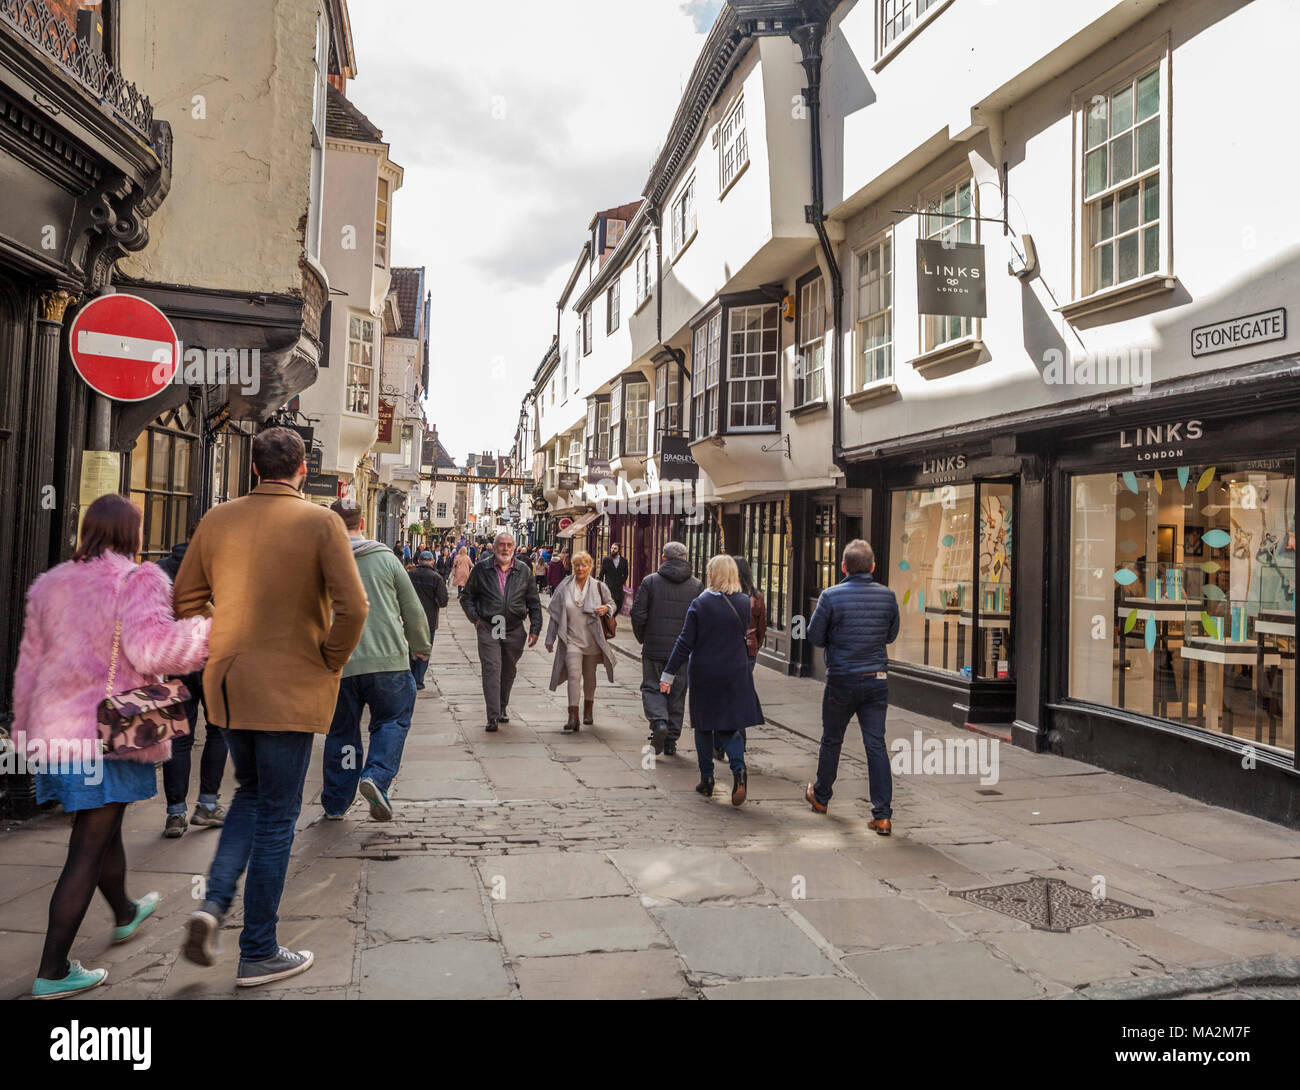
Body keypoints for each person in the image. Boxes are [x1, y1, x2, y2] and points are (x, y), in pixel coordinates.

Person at [174, 426, 368, 988]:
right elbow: (353, 607)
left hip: (230, 686)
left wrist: (226, 634)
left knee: (249, 796)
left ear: (254, 468)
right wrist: (329, 658)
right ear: (303, 469)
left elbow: (185, 600)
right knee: (278, 816)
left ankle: (212, 905)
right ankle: (257, 947)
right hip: (290, 686)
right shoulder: (321, 521)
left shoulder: (217, 519)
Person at [12, 493, 211, 998]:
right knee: (86, 846)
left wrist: (22, 732)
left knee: (101, 826)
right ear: (131, 533)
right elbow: (152, 650)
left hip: (55, 731)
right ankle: (52, 970)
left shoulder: (51, 583)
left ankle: (124, 910)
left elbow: (30, 664)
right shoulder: (138, 579)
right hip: (106, 735)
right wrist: (210, 632)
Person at [321, 501, 429, 822]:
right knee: (392, 720)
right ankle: (377, 776)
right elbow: (412, 609)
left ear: (332, 522)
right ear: (363, 522)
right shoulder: (386, 558)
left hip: (340, 663)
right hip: (388, 662)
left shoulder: (323, 561)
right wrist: (421, 645)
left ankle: (337, 802)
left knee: (343, 732)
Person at [805, 539, 900, 834]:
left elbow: (814, 636)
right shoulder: (888, 596)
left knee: (832, 740)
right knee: (876, 745)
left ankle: (821, 797)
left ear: (843, 567)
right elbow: (891, 634)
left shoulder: (830, 596)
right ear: (872, 567)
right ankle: (882, 815)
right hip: (876, 679)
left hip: (842, 679)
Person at [660, 555, 763, 806]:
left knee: (704, 726)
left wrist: (668, 674)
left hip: (706, 671)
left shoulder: (700, 603)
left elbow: (685, 642)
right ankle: (739, 771)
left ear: (711, 574)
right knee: (729, 725)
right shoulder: (743, 602)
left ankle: (707, 780)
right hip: (736, 670)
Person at [157, 526, 227, 837]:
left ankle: (175, 814)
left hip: (176, 661)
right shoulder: (224, 569)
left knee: (178, 737)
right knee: (218, 731)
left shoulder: (160, 570)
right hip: (215, 659)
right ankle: (208, 806)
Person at [460, 532, 541, 731]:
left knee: (508, 670)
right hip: (489, 625)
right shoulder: (481, 568)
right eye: (501, 545)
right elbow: (467, 597)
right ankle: (493, 716)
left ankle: (502, 706)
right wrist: (476, 619)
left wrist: (535, 628)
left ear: (514, 547)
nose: (505, 548)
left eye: (509, 545)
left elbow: (534, 602)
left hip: (513, 628)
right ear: (495, 547)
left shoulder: (523, 570)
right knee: (492, 669)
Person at [630, 541, 702, 755]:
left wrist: (643, 637)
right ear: (686, 559)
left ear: (663, 558)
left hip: (654, 648)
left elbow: (637, 613)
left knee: (653, 687)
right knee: (677, 693)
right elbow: (700, 619)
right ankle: (671, 739)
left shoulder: (650, 581)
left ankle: (659, 723)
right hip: (682, 652)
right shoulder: (697, 585)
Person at [545, 551, 616, 732]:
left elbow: (612, 604)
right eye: (577, 565)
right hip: (571, 640)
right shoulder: (565, 586)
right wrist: (550, 638)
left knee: (589, 675)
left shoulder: (600, 586)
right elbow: (555, 614)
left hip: (592, 640)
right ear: (572, 566)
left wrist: (606, 608)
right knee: (574, 676)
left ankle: (588, 710)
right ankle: (573, 715)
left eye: (584, 565)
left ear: (590, 567)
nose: (580, 568)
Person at [407, 550, 449, 691]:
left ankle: (412, 676)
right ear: (432, 562)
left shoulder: (410, 575)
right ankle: (418, 679)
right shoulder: (436, 578)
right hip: (429, 620)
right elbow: (443, 601)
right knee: (425, 649)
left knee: (412, 647)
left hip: (411, 618)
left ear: (419, 561)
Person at [733, 557, 768, 673]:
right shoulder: (757, 596)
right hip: (749, 647)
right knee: (743, 685)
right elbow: (762, 627)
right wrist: (756, 645)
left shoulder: (725, 595)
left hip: (730, 648)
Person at [599, 542, 629, 615]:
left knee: (618, 606)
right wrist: (602, 585)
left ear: (619, 550)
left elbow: (626, 574)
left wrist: (621, 582)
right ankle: (610, 620)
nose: (612, 550)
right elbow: (601, 574)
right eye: (612, 548)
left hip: (618, 588)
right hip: (608, 587)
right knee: (609, 605)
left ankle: (612, 617)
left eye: (615, 548)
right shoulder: (606, 560)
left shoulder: (624, 561)